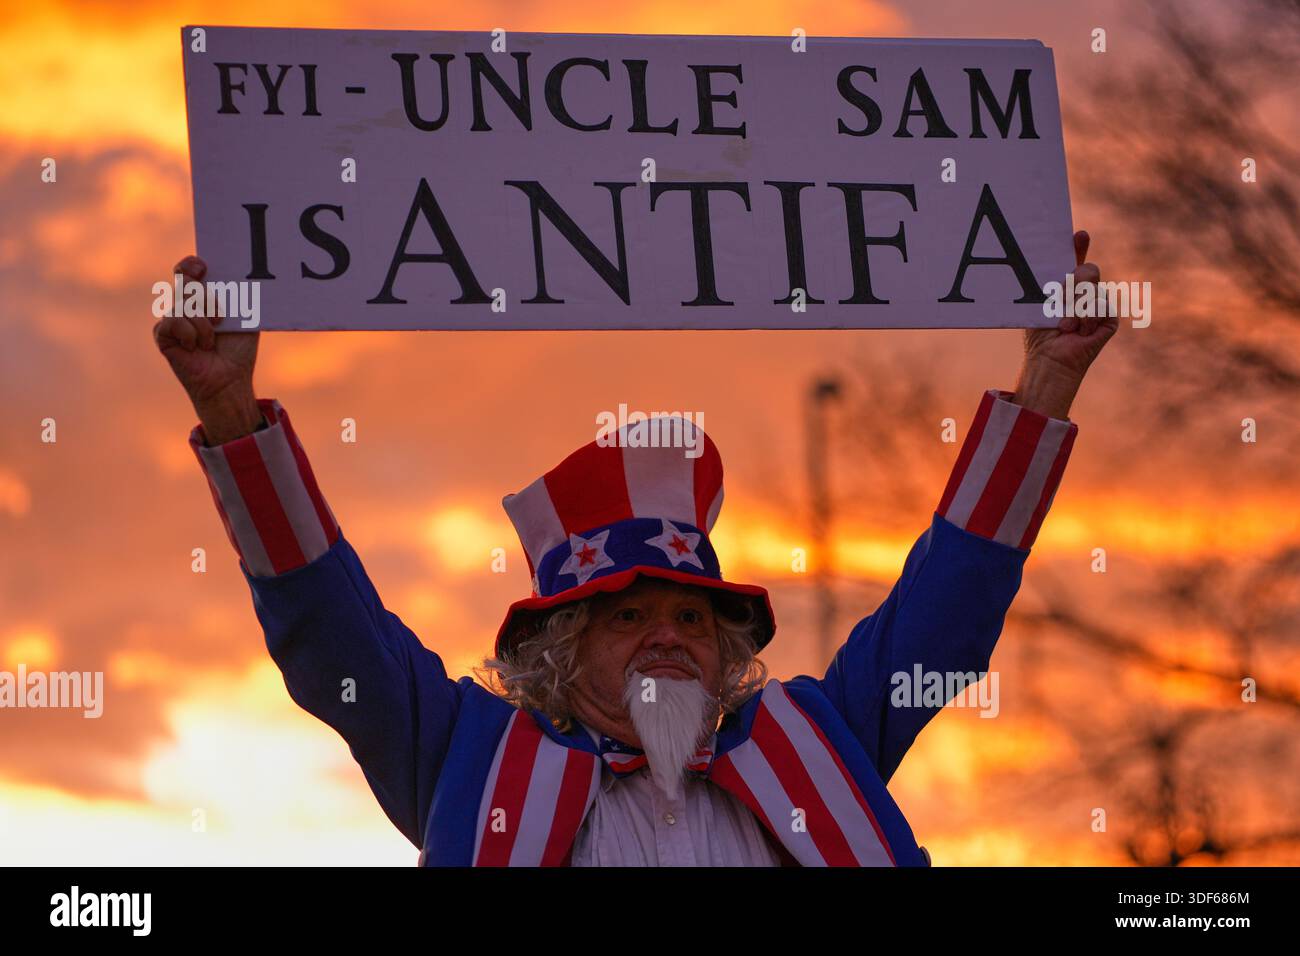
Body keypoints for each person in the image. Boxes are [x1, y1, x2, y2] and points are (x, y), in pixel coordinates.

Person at [153, 231, 1116, 866]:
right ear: (559, 649)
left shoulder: (821, 734)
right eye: (627, 615)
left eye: (693, 615)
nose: (670, 637)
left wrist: (1044, 388)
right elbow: (333, 636)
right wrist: (232, 416)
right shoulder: (463, 753)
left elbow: (946, 612)